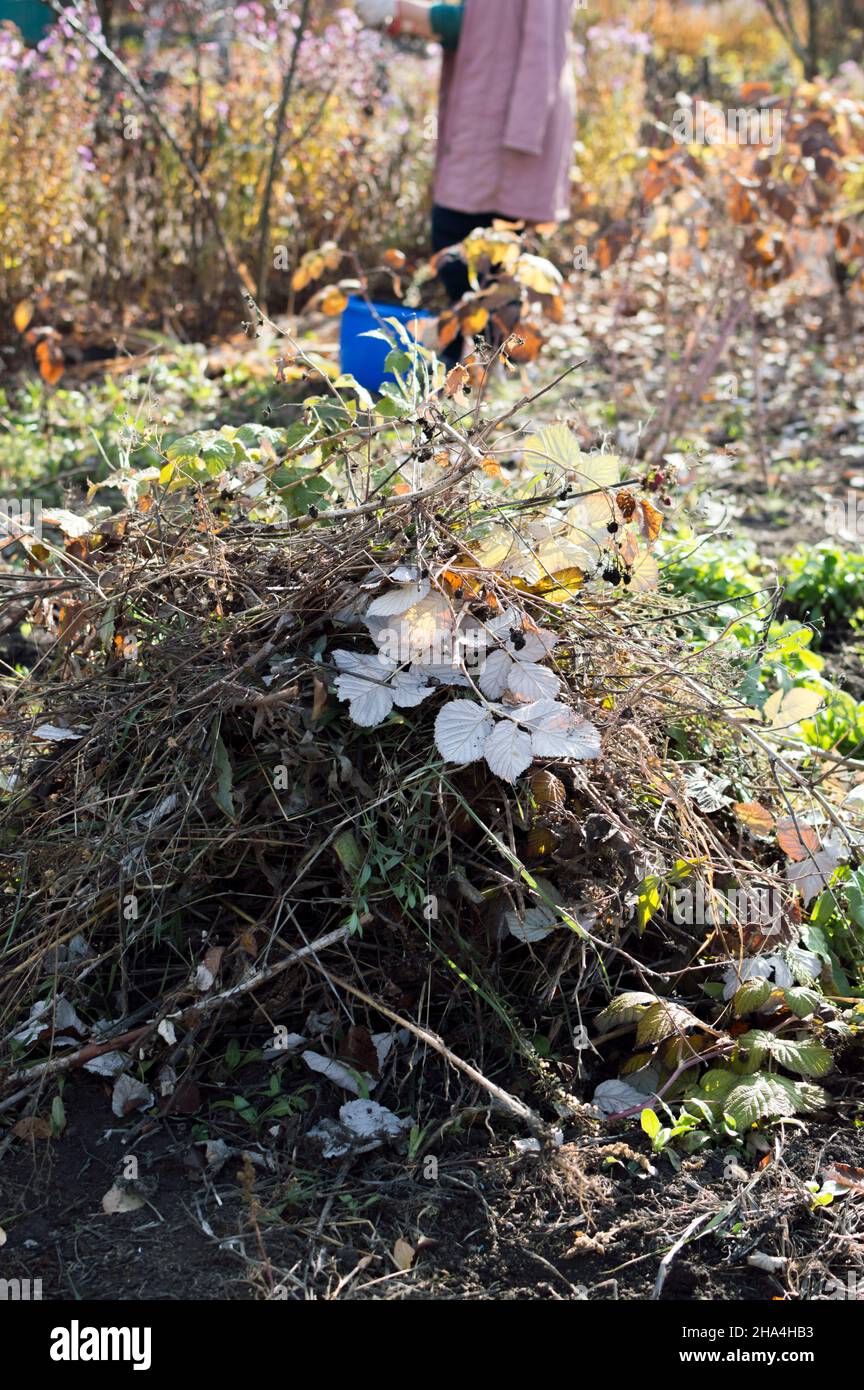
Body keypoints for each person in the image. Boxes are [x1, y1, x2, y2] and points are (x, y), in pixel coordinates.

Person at [356, 0, 576, 323]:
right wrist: (408, 17)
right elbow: (478, 24)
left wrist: (525, 133)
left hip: (506, 124)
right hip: (489, 114)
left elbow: (542, 47)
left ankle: (490, 353)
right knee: (480, 251)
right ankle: (483, 354)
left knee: (467, 244)